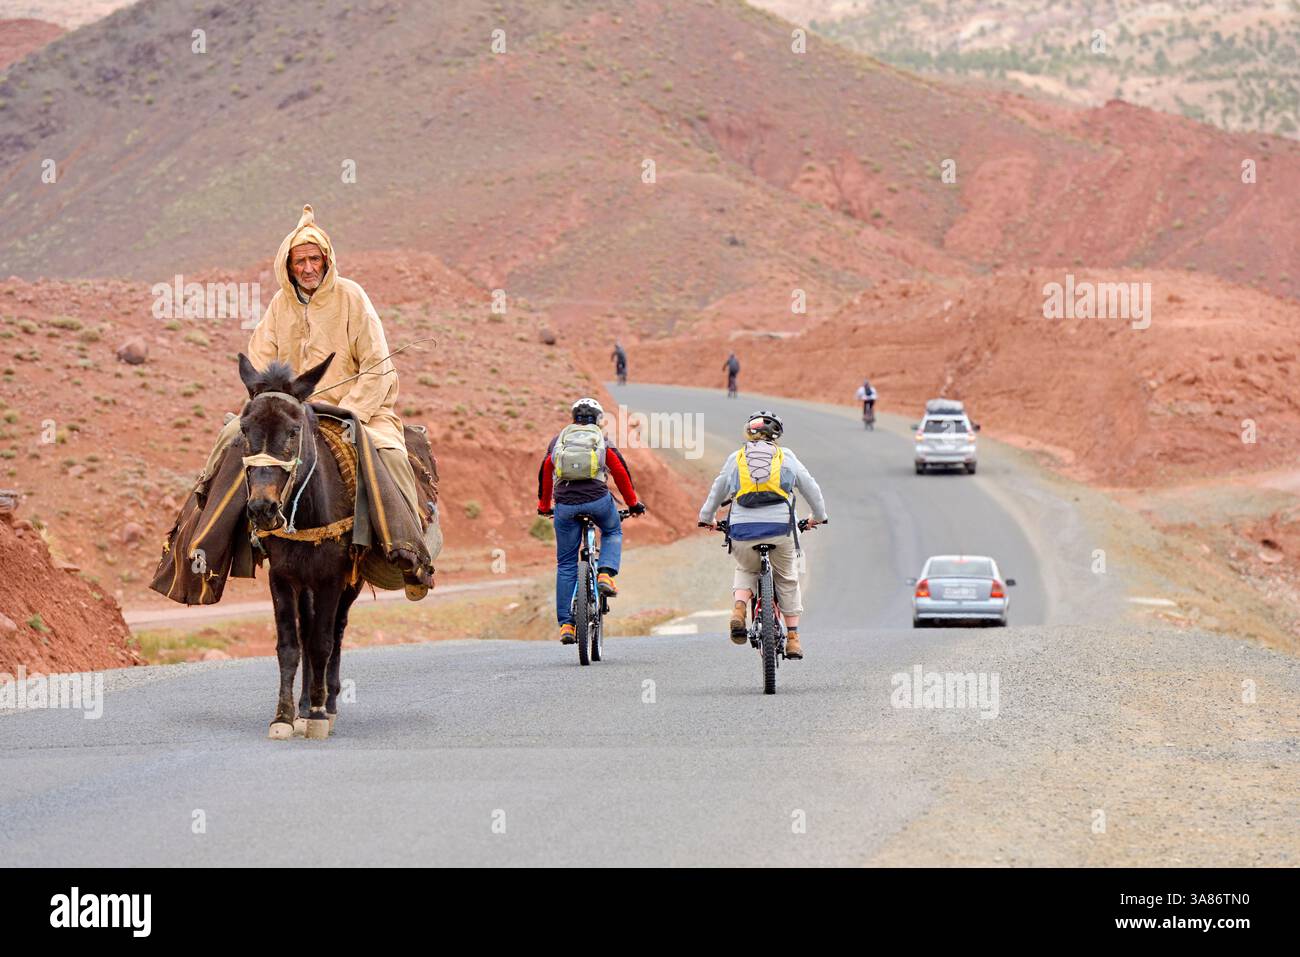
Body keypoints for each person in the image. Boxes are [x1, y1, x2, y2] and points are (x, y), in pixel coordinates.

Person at [196, 204, 435, 599]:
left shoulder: (352, 298)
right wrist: (271, 406)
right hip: (291, 416)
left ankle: (410, 556)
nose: (307, 268)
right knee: (229, 440)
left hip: (356, 412)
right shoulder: (278, 306)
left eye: (314, 259)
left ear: (326, 260)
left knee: (389, 455)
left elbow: (378, 367)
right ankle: (204, 551)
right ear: (287, 267)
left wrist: (350, 412)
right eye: (299, 261)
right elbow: (258, 361)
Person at [697, 410, 828, 659]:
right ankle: (792, 638)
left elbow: (718, 489)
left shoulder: (736, 458)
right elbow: (810, 486)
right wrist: (818, 516)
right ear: (776, 435)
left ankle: (738, 610)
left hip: (743, 531)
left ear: (749, 432)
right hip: (781, 530)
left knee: (746, 567)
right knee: (787, 576)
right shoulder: (786, 457)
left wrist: (707, 518)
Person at [537, 397, 647, 644]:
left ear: (573, 418)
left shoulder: (559, 440)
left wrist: (544, 506)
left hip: (565, 505)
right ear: (597, 419)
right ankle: (606, 574)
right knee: (612, 531)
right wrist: (632, 504)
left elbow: (545, 472)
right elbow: (619, 472)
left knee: (566, 564)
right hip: (598, 500)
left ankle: (566, 625)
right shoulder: (601, 440)